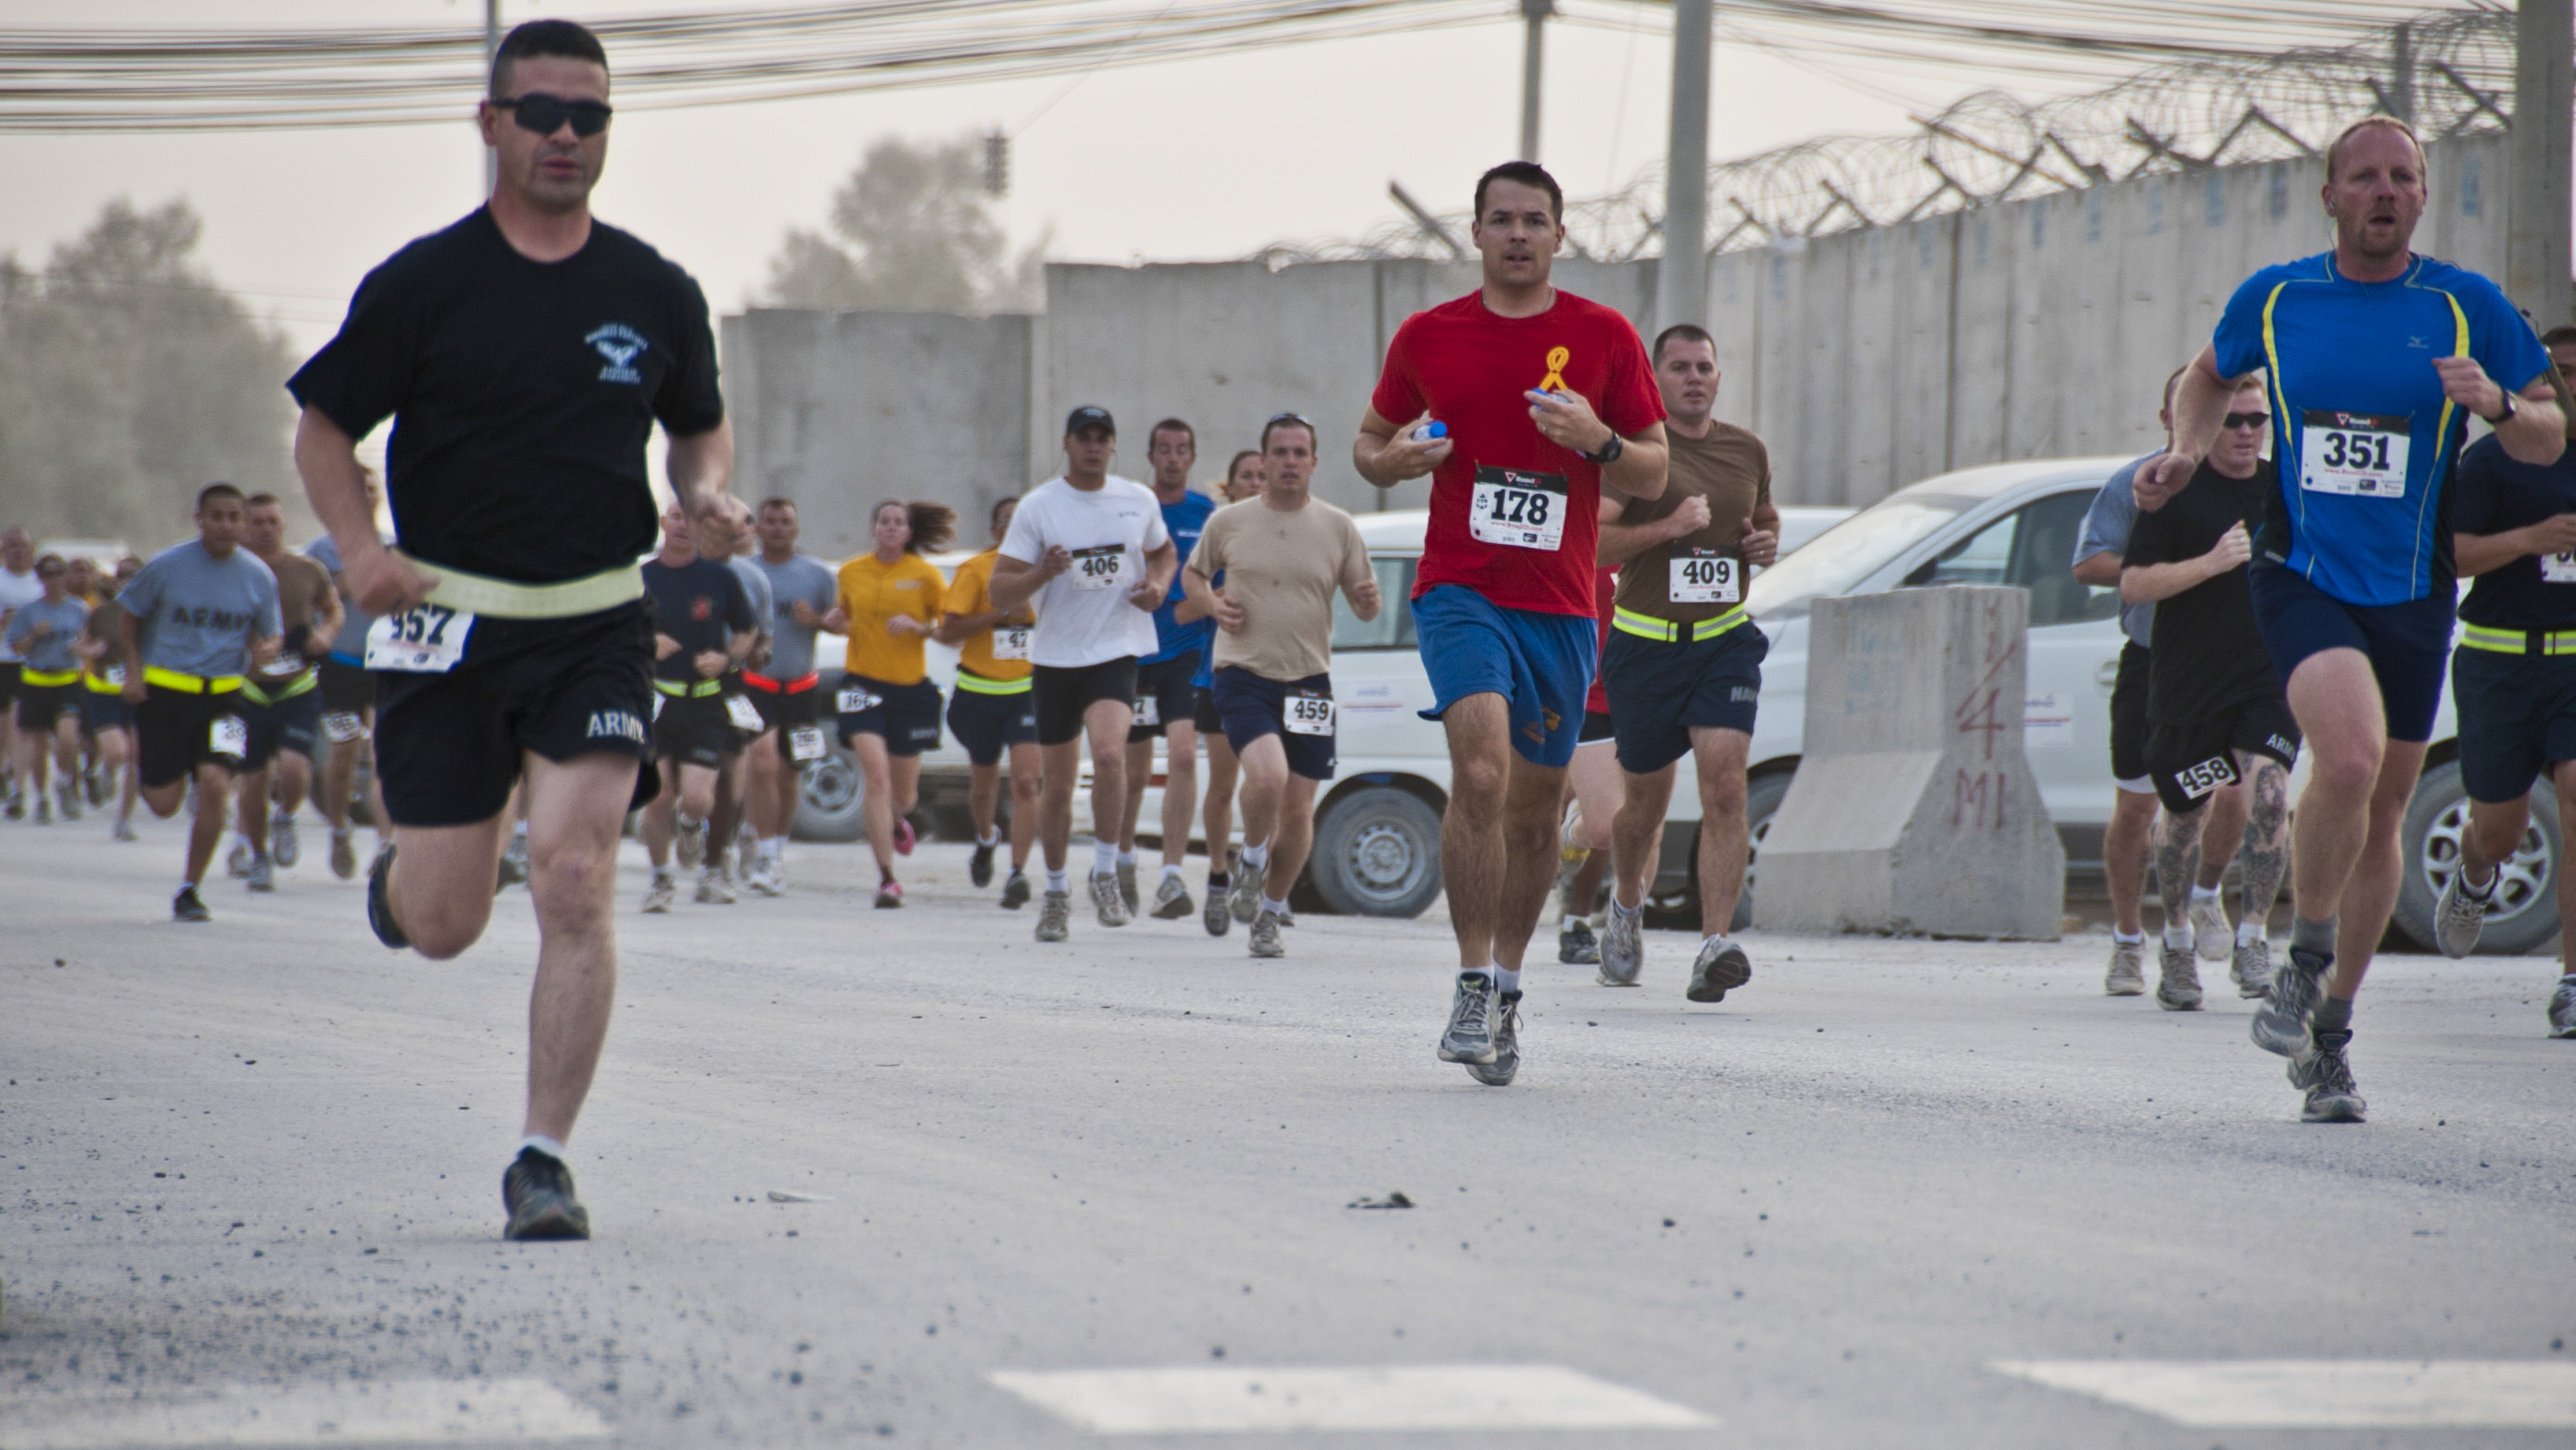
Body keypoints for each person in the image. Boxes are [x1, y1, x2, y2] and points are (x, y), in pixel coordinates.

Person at [289, 18, 735, 1239]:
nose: (565, 135)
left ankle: (542, 1159)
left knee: (577, 873)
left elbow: (697, 422)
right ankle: (406, 887)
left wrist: (705, 489)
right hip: (447, 628)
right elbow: (325, 430)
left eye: (588, 115)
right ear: (491, 123)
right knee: (446, 924)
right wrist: (361, 550)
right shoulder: (425, 284)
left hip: (596, 622)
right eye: (540, 112)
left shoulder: (653, 290)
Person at [2140, 116, 2562, 1123]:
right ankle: (2307, 954)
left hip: (2415, 588)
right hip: (2303, 570)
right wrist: (2188, 452)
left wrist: (2500, 403)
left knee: (2380, 812)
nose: (2384, 191)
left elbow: (2550, 435)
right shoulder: (2279, 296)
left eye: (2402, 177)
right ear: (2329, 196)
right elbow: (2207, 373)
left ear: (2423, 196)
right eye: (2364, 177)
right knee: (2351, 756)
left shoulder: (2466, 305)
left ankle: (2330, 1035)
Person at [1353, 160, 1668, 1084]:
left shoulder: (1604, 336)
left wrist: (1598, 441)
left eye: (1535, 220)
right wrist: (1396, 460)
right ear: (1477, 233)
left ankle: (1505, 985)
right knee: (1482, 769)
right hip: (1461, 590)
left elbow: (1653, 470)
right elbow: (1369, 446)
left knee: (1534, 814)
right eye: (1502, 219)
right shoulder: (1429, 335)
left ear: (1560, 235)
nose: (1518, 234)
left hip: (1562, 606)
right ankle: (1466, 980)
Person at [1593, 324, 1774, 999]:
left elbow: (1764, 516)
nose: (1694, 377)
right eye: (1679, 367)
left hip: (1724, 640)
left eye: (1704, 366)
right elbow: (1592, 544)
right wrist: (1669, 527)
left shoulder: (1746, 448)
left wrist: (1764, 544)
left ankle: (1713, 944)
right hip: (1644, 645)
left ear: (1719, 376)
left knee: (1725, 786)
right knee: (1643, 807)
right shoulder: (1636, 454)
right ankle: (1625, 906)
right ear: (1655, 378)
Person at [2072, 369, 2252, 995]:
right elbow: (2088, 563)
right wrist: (2178, 567)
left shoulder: (2259, 481)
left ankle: (2206, 893)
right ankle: (2128, 941)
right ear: (2170, 417)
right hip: (2153, 660)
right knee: (2137, 808)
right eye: (2211, 411)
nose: (2232, 427)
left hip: (2228, 666)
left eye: (2245, 416)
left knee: (2234, 793)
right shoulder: (2139, 482)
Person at [2121, 376, 2297, 1011]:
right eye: (2232, 420)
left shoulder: (2285, 484)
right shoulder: (2174, 489)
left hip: (2267, 677)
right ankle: (2175, 940)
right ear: (2207, 422)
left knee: (2269, 797)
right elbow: (2133, 584)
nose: (2246, 432)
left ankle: (2255, 938)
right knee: (2185, 817)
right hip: (2189, 684)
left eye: (2257, 420)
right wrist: (2211, 563)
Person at [1184, 413, 1379, 956]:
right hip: (1243, 674)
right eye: (1280, 453)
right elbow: (1193, 575)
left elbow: (1366, 604)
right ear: (1264, 461)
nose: (1289, 462)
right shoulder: (1230, 522)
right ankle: (1251, 860)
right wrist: (1211, 605)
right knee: (1266, 778)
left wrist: (1367, 602)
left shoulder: (1338, 526)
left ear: (1313, 463)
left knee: (1298, 812)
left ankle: (1269, 913)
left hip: (1309, 682)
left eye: (1299, 453)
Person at [2434, 324, 2576, 1035]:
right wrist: (2529, 539)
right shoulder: (2491, 461)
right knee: (2501, 828)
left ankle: (2572, 981)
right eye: (2559, 372)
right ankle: (2475, 872)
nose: (2570, 386)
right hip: (2499, 660)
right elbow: (2450, 555)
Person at [988, 406, 1177, 941]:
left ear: (1113, 445)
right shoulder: (1039, 506)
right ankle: (1054, 892)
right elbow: (999, 592)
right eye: (1084, 438)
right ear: (1067, 443)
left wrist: (1157, 587)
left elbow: (1164, 553)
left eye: (1102, 438)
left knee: (1112, 755)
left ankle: (1105, 872)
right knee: (1058, 786)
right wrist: (1040, 573)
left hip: (1116, 648)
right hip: (1056, 657)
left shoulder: (1137, 499)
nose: (1093, 447)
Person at [116, 484, 283, 921]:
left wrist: (266, 649)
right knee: (163, 803)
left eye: (234, 517)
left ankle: (190, 888)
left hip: (224, 697)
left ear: (243, 522)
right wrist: (133, 668)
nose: (226, 525)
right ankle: (166, 768)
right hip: (165, 693)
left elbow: (271, 632)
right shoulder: (167, 566)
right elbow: (130, 613)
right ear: (200, 519)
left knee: (215, 785)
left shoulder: (258, 576)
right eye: (217, 516)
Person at [832, 499, 956, 908]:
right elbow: (845, 617)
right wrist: (835, 622)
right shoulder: (851, 571)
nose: (890, 528)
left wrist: (918, 626)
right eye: (883, 521)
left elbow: (948, 629)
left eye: (898, 523)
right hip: (861, 685)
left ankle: (898, 819)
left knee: (904, 796)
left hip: (908, 689)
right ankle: (887, 879)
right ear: (873, 529)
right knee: (877, 779)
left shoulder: (925, 575)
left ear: (908, 532)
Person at [1116, 419, 1215, 920]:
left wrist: (1187, 612)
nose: (1173, 458)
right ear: (1151, 456)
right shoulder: (1133, 508)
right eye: (1164, 449)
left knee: (1182, 757)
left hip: (1184, 654)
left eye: (1181, 450)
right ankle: (1122, 857)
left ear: (1192, 457)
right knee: (1133, 773)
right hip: (1135, 654)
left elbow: (1221, 582)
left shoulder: (1206, 513)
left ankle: (1172, 875)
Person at [639, 500, 756, 911]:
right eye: (676, 517)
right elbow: (610, 632)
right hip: (656, 701)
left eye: (691, 519)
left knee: (696, 798)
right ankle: (661, 879)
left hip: (705, 702)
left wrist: (727, 660)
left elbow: (747, 629)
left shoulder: (719, 577)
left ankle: (691, 825)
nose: (683, 525)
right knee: (657, 795)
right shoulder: (640, 578)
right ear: (663, 523)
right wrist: (646, 641)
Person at [227, 494, 343, 890]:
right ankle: (258, 856)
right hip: (245, 690)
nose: (266, 529)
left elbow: (334, 609)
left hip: (298, 686)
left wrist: (326, 633)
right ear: (244, 526)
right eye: (257, 522)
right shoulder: (230, 571)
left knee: (295, 768)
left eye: (272, 521)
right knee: (252, 781)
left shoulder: (307, 569)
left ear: (283, 524)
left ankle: (286, 816)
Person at [937, 496, 1043, 908]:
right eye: (1006, 520)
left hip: (1027, 692)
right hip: (980, 691)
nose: (1014, 526)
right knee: (984, 786)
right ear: (995, 529)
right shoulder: (977, 570)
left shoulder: (1046, 572)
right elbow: (948, 632)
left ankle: (1017, 873)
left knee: (1025, 782)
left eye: (1021, 520)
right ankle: (985, 839)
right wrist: (997, 614)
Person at [742, 497, 843, 896]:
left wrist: (816, 620)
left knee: (789, 774)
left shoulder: (817, 574)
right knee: (762, 763)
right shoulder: (745, 573)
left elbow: (842, 623)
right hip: (757, 686)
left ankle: (775, 851)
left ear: (796, 528)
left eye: (786, 521)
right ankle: (764, 853)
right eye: (771, 521)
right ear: (757, 529)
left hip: (802, 689)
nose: (779, 528)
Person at [1189, 449, 1268, 934]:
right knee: (1222, 786)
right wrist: (1218, 599)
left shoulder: (1291, 530)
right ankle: (1218, 877)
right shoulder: (1218, 532)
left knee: (1267, 784)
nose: (1256, 483)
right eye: (1247, 476)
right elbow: (1187, 599)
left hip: (1274, 674)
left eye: (1262, 476)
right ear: (1231, 484)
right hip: (1218, 673)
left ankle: (1259, 881)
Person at [306, 470, 393, 881]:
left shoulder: (394, 545)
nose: (368, 495)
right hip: (340, 667)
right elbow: (321, 599)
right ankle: (339, 827)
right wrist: (360, 563)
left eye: (373, 488)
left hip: (383, 666)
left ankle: (385, 847)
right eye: (360, 488)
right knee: (341, 757)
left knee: (383, 757)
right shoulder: (322, 550)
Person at [1554, 568, 1621, 966]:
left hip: (1633, 695)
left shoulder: (1655, 541)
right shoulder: (1579, 546)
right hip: (1570, 690)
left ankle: (1581, 921)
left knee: (1607, 821)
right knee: (1551, 799)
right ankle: (1508, 922)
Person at [705, 500, 770, 899]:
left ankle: (724, 847)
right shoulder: (678, 570)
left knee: (731, 769)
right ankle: (692, 826)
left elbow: (762, 641)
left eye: (744, 523)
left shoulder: (753, 579)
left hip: (731, 683)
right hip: (675, 684)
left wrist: (750, 652)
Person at [6, 553, 91, 825]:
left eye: (58, 573)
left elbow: (88, 642)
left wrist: (82, 649)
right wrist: (33, 636)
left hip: (67, 681)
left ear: (65, 577)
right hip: (37, 681)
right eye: (48, 575)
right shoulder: (29, 611)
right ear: (40, 578)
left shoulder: (78, 609)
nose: (54, 580)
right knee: (37, 746)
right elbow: (15, 647)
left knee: (68, 737)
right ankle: (42, 798)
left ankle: (64, 782)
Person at [77, 557, 144, 839]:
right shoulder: (101, 612)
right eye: (124, 576)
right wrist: (90, 651)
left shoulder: (153, 613)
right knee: (117, 751)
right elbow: (81, 644)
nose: (129, 581)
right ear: (116, 582)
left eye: (135, 576)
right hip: (104, 689)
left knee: (136, 756)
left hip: (140, 690)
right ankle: (106, 767)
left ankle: (124, 819)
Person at [0, 527, 40, 819]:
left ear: (32, 549)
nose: (18, 551)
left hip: (32, 663)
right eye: (12, 545)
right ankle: (5, 768)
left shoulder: (41, 584)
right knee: (4, 730)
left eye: (23, 545)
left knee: (22, 727)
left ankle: (18, 789)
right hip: (2, 660)